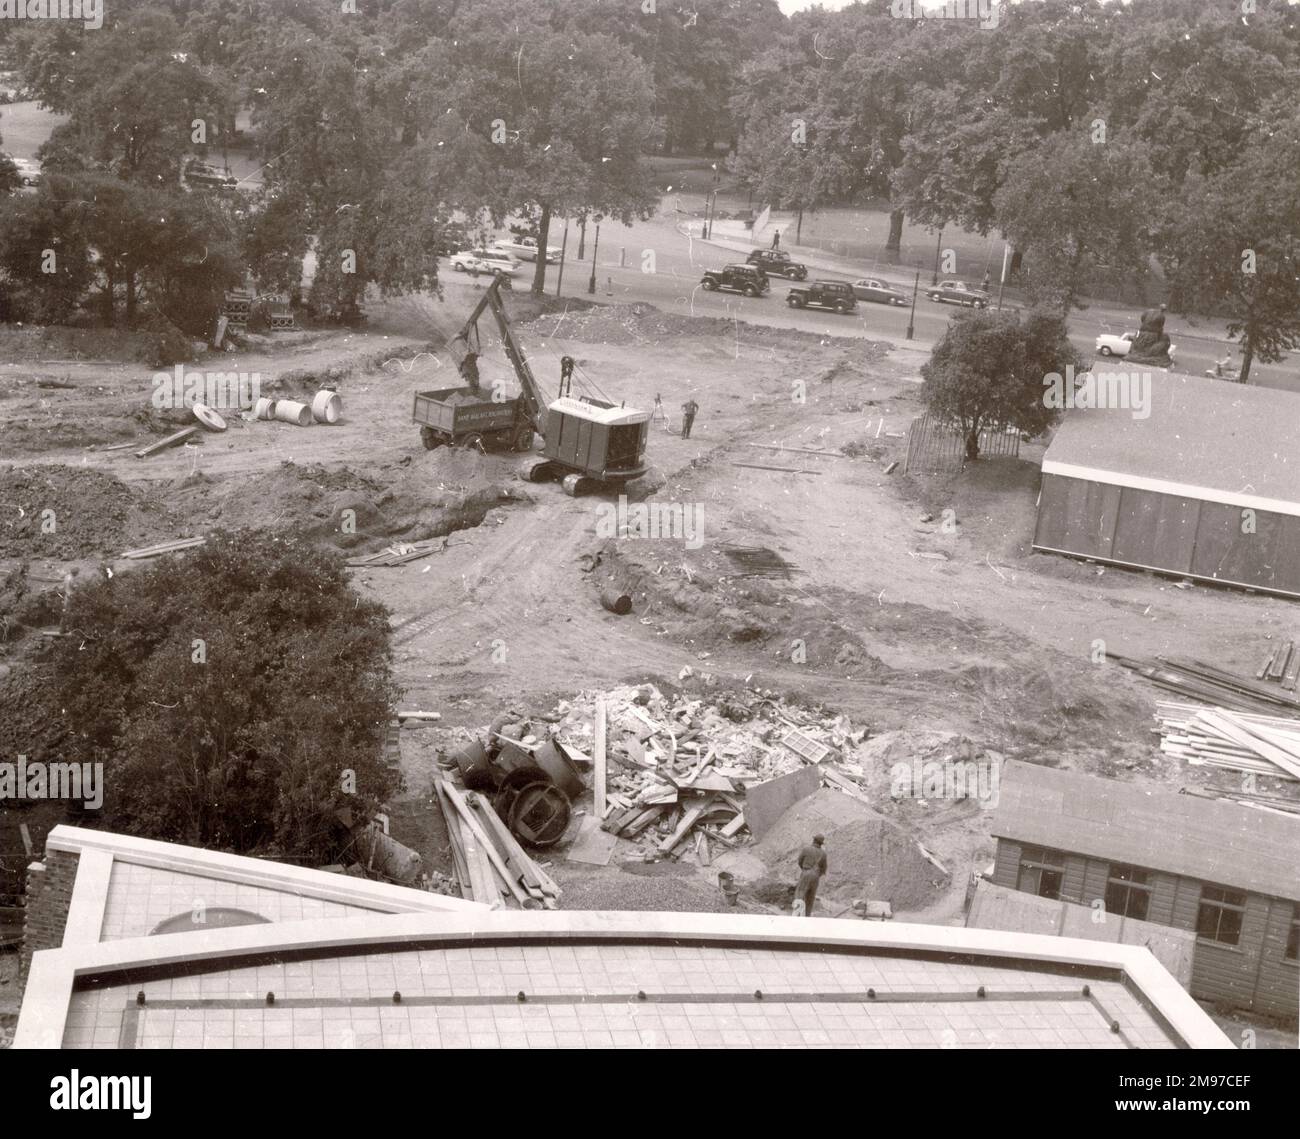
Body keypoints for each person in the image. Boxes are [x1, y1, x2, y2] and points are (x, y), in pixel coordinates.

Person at [794, 834, 828, 917]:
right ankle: (807, 918)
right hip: (816, 876)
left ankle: (796, 917)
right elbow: (824, 869)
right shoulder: (823, 854)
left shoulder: (806, 849)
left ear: (814, 840)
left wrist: (805, 870)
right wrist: (817, 874)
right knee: (810, 898)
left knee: (800, 895)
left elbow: (800, 861)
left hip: (806, 872)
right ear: (821, 843)